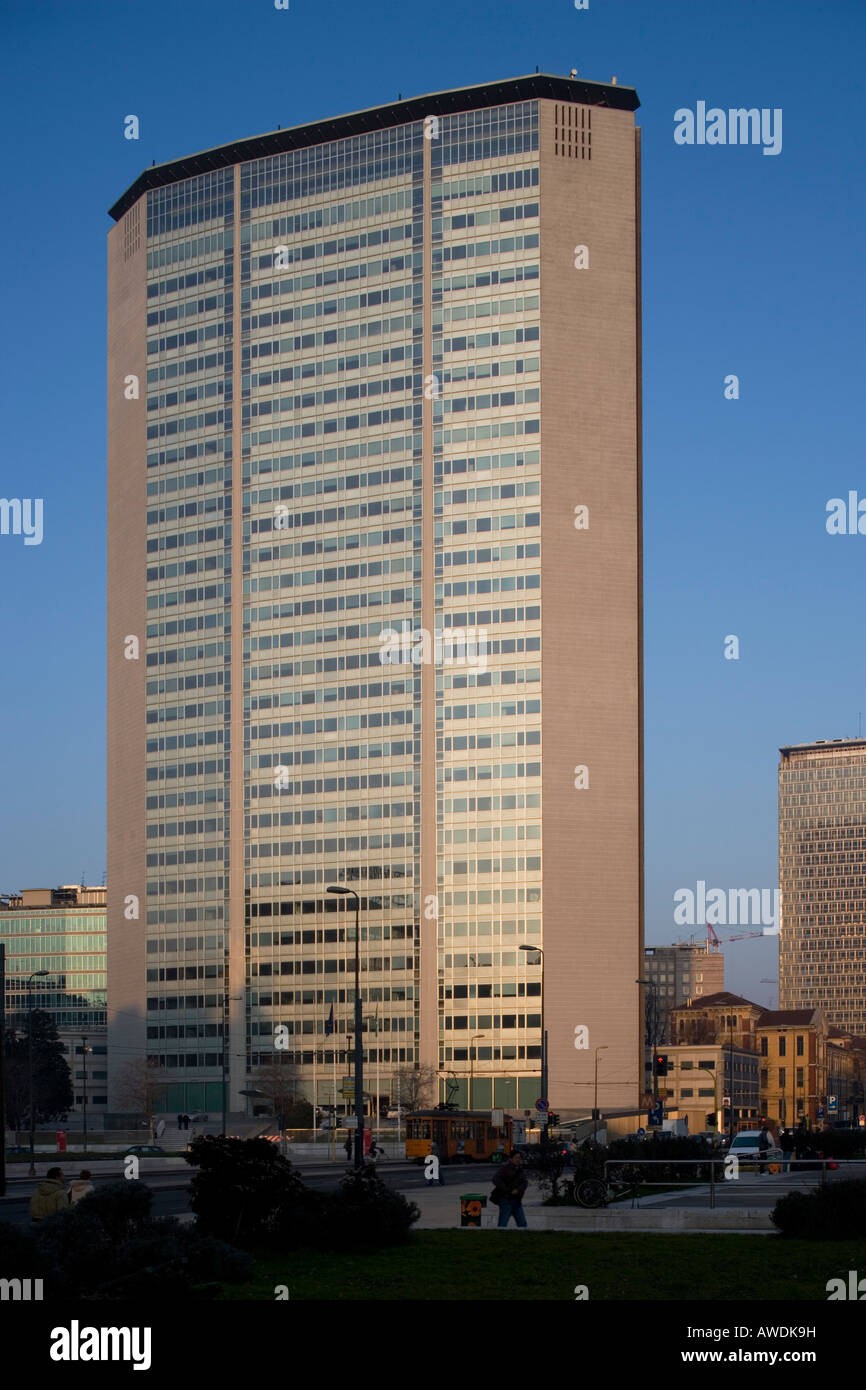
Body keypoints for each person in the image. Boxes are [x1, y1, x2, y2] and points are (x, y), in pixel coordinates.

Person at [492, 1150, 528, 1228]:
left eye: (519, 1158)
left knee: (523, 1224)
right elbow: (495, 1179)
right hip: (506, 1201)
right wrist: (506, 1190)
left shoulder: (520, 1170)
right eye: (516, 1158)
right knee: (502, 1224)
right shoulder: (505, 1169)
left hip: (517, 1201)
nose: (518, 1160)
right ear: (511, 1159)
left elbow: (524, 1183)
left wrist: (518, 1190)